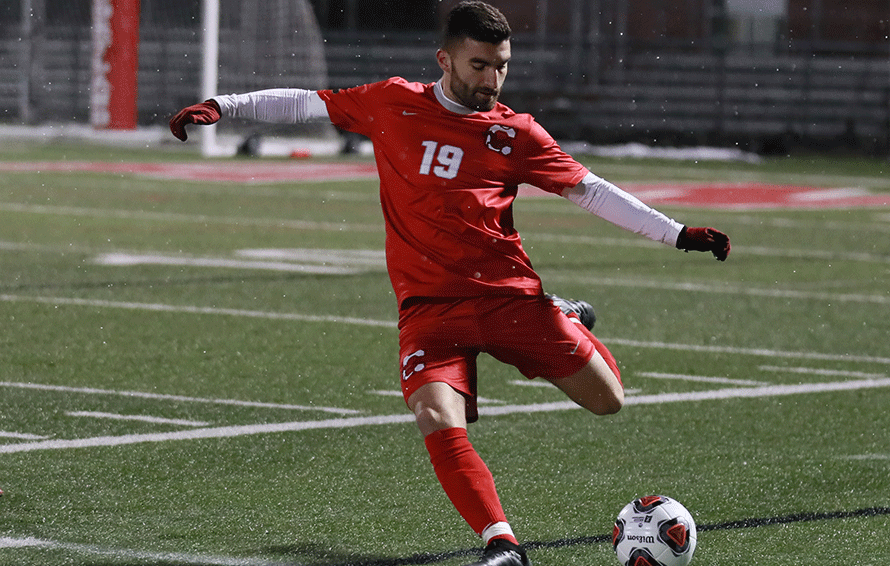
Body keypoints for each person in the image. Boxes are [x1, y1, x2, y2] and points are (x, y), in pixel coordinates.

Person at [170, 2, 729, 564]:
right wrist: (224, 105)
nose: (492, 79)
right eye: (479, 65)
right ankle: (502, 543)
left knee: (608, 401)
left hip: (507, 298)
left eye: (501, 66)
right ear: (445, 60)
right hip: (429, 310)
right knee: (435, 416)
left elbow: (591, 191)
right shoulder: (392, 102)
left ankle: (563, 315)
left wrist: (677, 234)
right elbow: (307, 102)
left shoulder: (516, 133)